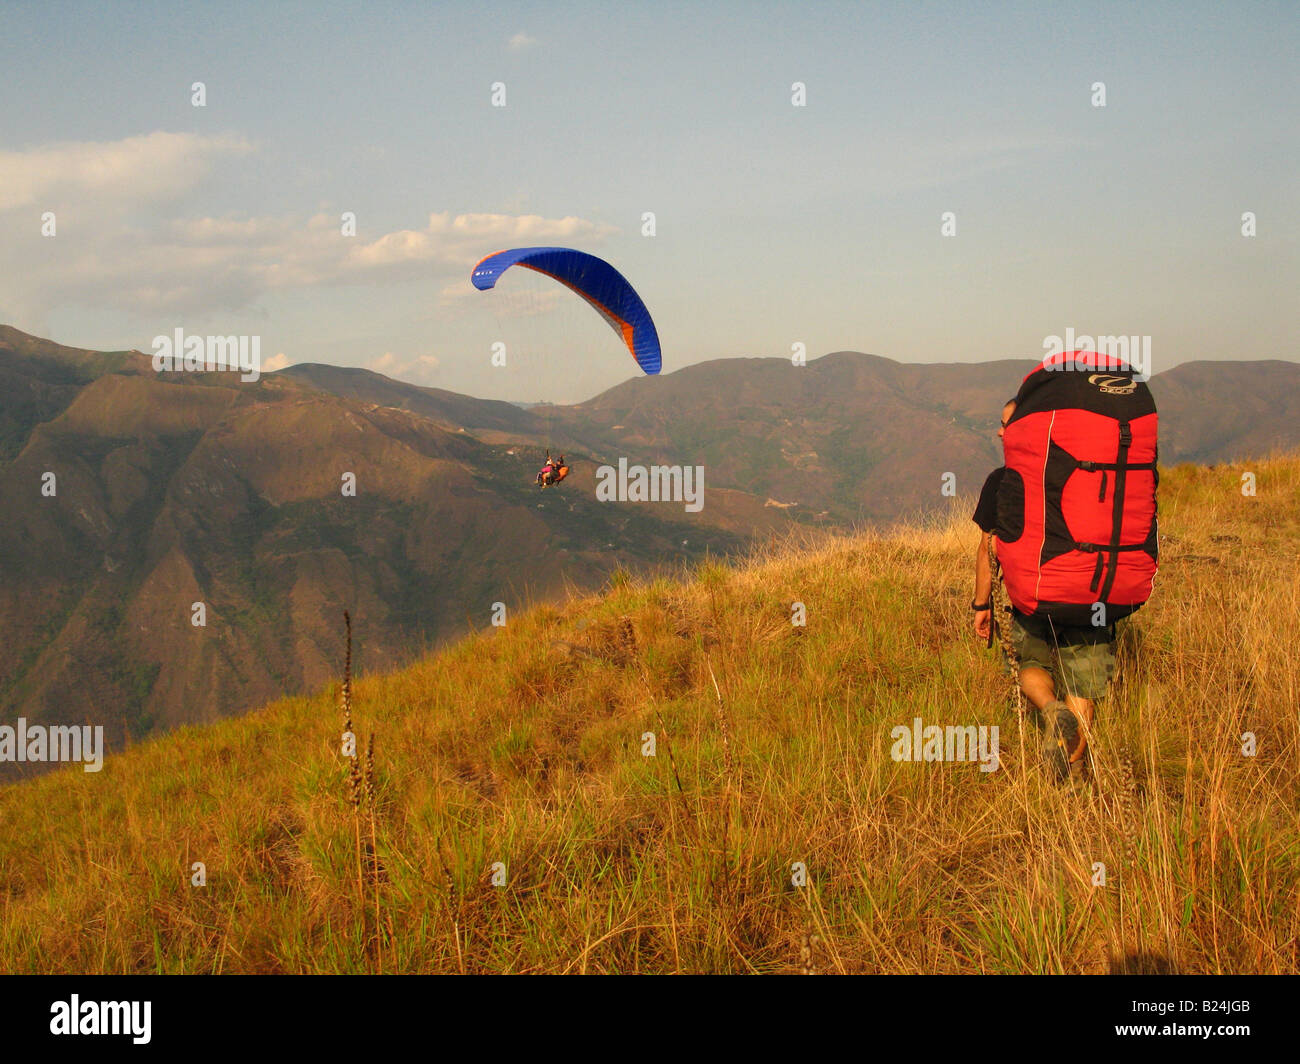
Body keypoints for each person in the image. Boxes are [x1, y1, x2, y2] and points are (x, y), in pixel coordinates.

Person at [971, 399, 1117, 783]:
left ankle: (1051, 709)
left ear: (1024, 427)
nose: (1000, 432)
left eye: (1005, 424)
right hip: (1089, 596)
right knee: (1084, 682)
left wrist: (981, 603)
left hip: (1031, 596)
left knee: (1031, 665)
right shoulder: (1086, 473)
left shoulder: (1002, 480)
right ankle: (1072, 770)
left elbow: (989, 549)